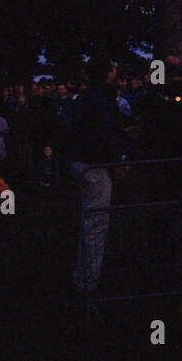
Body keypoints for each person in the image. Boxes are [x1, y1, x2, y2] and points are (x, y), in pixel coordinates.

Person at [68, 57, 132, 296]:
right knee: (96, 224)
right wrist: (118, 161)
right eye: (114, 67)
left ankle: (83, 276)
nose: (117, 71)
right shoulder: (102, 99)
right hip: (94, 167)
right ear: (107, 73)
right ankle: (87, 285)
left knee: (90, 221)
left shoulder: (86, 97)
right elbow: (103, 135)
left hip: (82, 163)